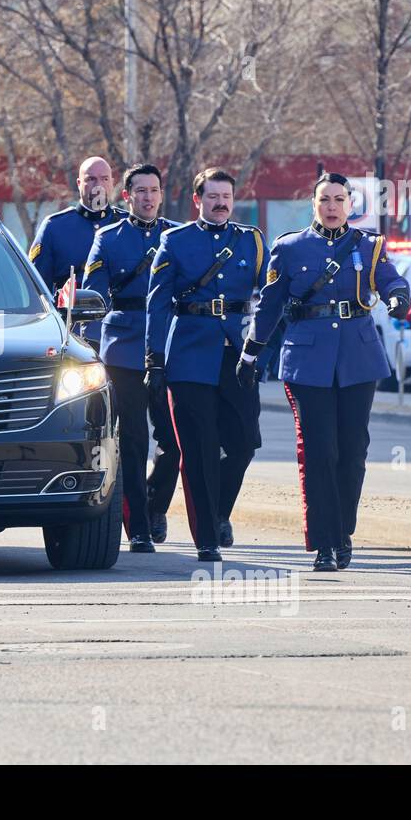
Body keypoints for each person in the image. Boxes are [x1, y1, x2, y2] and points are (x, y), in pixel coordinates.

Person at [237, 172, 411, 571]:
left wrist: (398, 297)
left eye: (339, 199)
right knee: (318, 451)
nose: (332, 207)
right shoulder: (290, 248)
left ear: (350, 204)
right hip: (306, 360)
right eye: (324, 200)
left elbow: (389, 279)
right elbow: (269, 305)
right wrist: (251, 353)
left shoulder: (369, 246)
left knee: (352, 452)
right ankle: (324, 543)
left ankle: (342, 530)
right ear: (313, 205)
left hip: (359, 359)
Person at [145, 167, 268, 562]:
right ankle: (206, 539)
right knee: (198, 451)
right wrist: (155, 359)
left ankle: (218, 514)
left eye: (226, 197)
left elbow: (268, 295)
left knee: (244, 442)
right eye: (213, 196)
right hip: (190, 357)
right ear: (198, 200)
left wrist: (259, 349)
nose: (220, 203)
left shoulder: (251, 240)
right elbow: (158, 304)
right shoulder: (175, 241)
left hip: (236, 353)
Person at [83, 163, 181, 552]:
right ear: (127, 196)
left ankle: (156, 506)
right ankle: (138, 527)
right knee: (135, 443)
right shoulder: (108, 238)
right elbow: (92, 296)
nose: (148, 197)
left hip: (169, 346)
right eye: (140, 191)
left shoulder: (177, 236)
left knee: (174, 443)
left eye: (154, 190)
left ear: (161, 194)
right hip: (123, 348)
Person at [28, 156, 128, 345]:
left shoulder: (127, 225)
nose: (98, 185)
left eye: (104, 179)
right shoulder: (54, 227)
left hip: (121, 334)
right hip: (72, 334)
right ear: (79, 183)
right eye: (91, 179)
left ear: (113, 183)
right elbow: (37, 288)